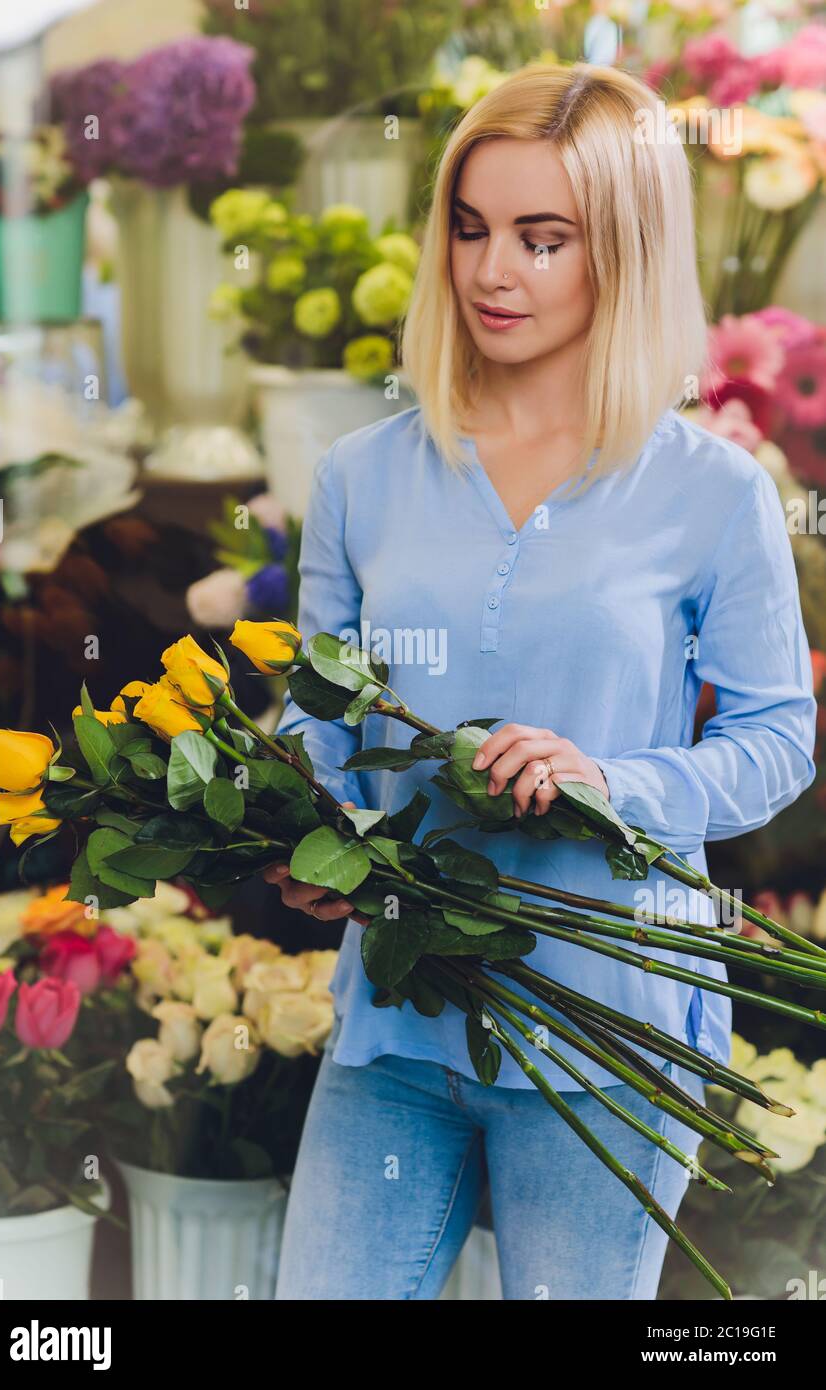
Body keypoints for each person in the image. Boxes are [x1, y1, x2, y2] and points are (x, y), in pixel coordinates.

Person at [263, 61, 817, 1300]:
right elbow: (318, 713)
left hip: (606, 1023)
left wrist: (606, 778)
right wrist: (307, 833)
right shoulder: (361, 473)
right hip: (395, 1015)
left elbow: (780, 739)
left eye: (539, 237)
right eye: (467, 228)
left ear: (618, 249)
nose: (489, 270)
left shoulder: (710, 492)